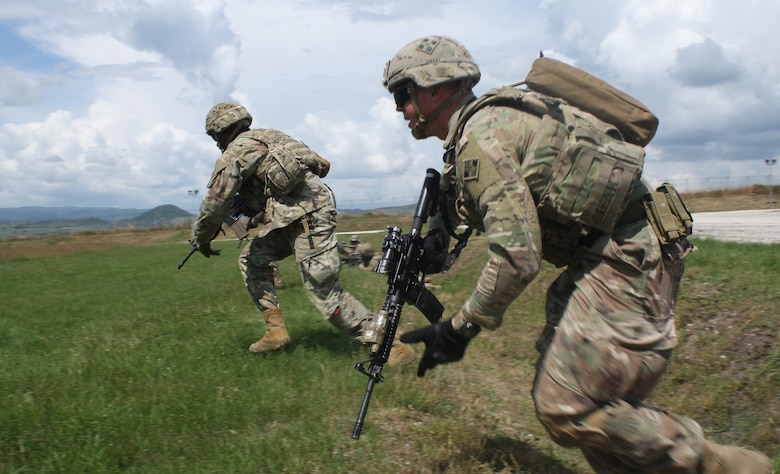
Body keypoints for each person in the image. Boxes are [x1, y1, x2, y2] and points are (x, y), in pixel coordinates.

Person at [383, 36, 771, 473]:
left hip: (630, 252)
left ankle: (721, 465)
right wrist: (438, 231)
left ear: (433, 87)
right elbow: (463, 198)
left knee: (565, 404)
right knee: (575, 396)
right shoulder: (485, 124)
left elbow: (517, 257)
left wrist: (459, 328)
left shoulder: (481, 137)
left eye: (403, 94)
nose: (400, 108)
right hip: (609, 251)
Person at [190, 101, 415, 365]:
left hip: (306, 220)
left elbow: (215, 203)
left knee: (325, 294)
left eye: (215, 137)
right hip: (291, 219)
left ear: (220, 132)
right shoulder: (272, 136)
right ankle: (276, 332)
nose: (217, 143)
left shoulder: (235, 152)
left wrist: (201, 237)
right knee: (252, 260)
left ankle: (390, 343)